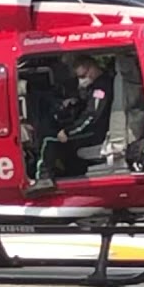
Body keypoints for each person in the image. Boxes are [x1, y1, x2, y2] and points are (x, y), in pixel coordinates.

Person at [27, 55, 114, 196]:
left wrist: (68, 132)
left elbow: (92, 117)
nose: (81, 81)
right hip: (95, 130)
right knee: (54, 132)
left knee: (49, 139)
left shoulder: (101, 88)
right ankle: (69, 173)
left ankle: (44, 178)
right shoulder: (95, 86)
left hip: (96, 134)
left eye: (82, 76)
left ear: (92, 69)